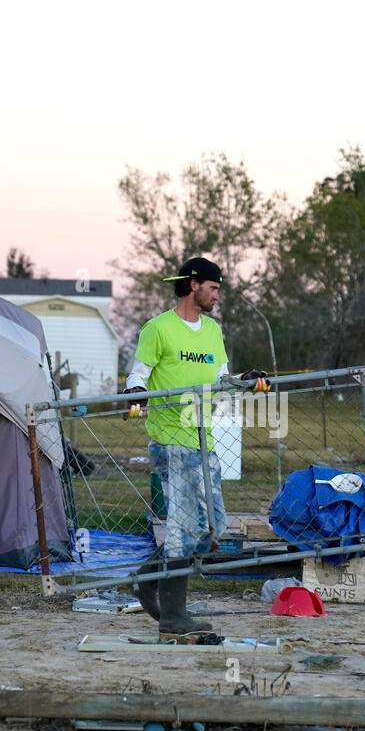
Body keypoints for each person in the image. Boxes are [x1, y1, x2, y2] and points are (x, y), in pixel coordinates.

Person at [124, 256, 267, 634]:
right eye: (214, 288)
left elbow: (221, 376)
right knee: (184, 527)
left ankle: (146, 576)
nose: (218, 295)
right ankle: (173, 616)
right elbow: (137, 375)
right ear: (193, 285)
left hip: (205, 439)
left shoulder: (212, 331)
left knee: (213, 526)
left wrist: (245, 379)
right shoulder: (159, 329)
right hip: (171, 440)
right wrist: (136, 393)